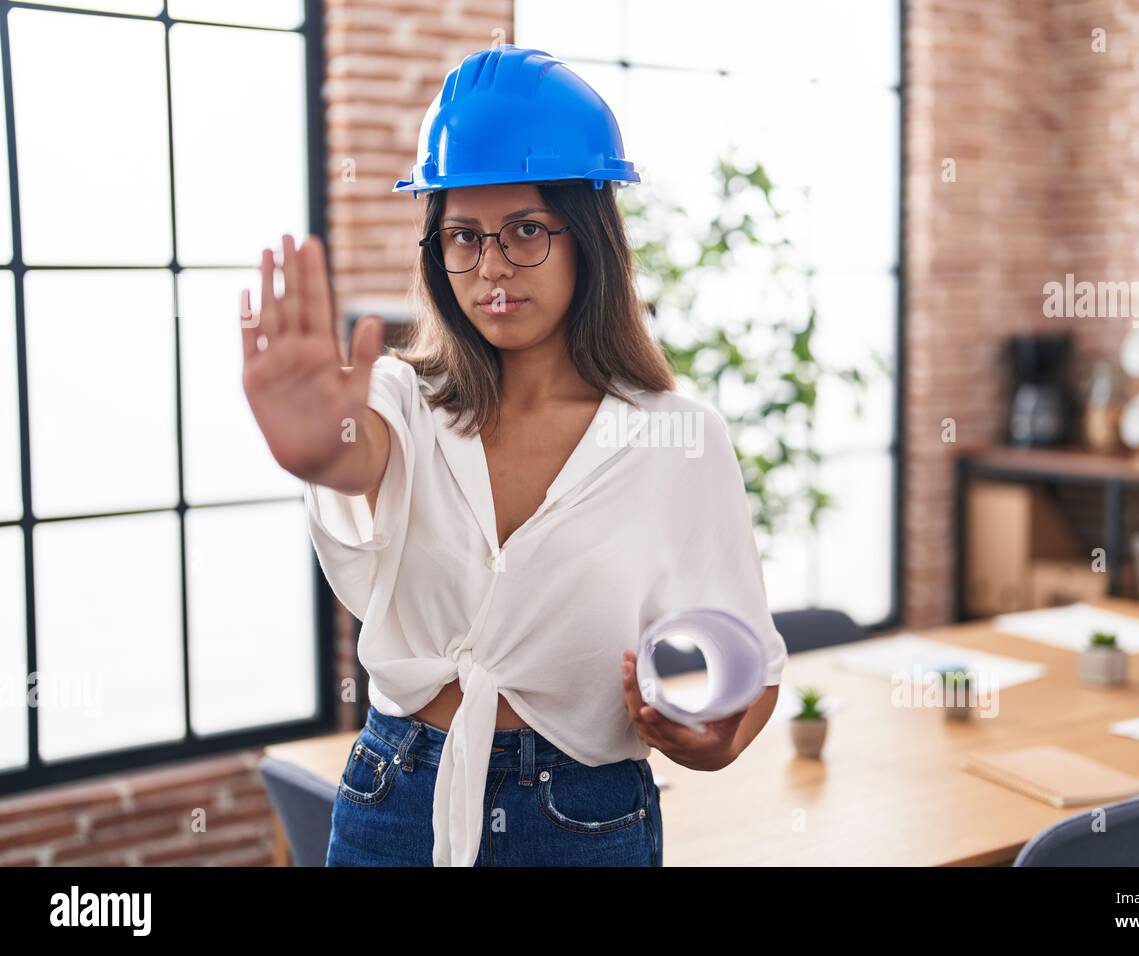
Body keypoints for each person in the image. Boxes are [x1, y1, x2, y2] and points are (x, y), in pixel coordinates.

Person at [240, 44, 787, 867]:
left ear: (588, 237)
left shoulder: (678, 436)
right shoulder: (399, 399)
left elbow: (751, 663)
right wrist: (322, 450)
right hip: (395, 802)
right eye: (463, 236)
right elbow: (361, 459)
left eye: (526, 230)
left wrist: (706, 741)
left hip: (585, 817)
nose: (491, 266)